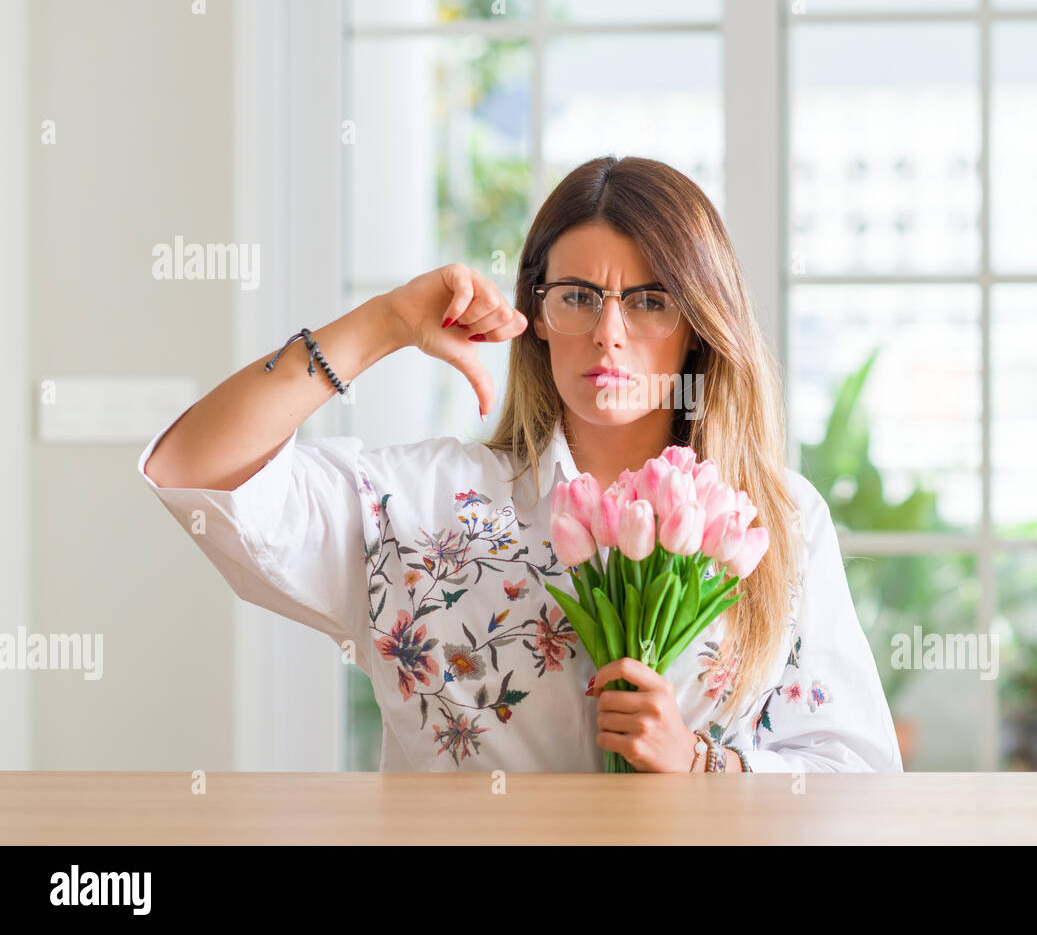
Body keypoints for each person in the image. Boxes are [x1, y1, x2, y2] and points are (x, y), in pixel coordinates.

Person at [138, 154, 903, 774]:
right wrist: (384, 325)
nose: (609, 334)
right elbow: (195, 468)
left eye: (649, 301)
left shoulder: (772, 520)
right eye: (578, 297)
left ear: (699, 326)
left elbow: (856, 772)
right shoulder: (423, 507)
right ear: (536, 315)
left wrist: (702, 764)